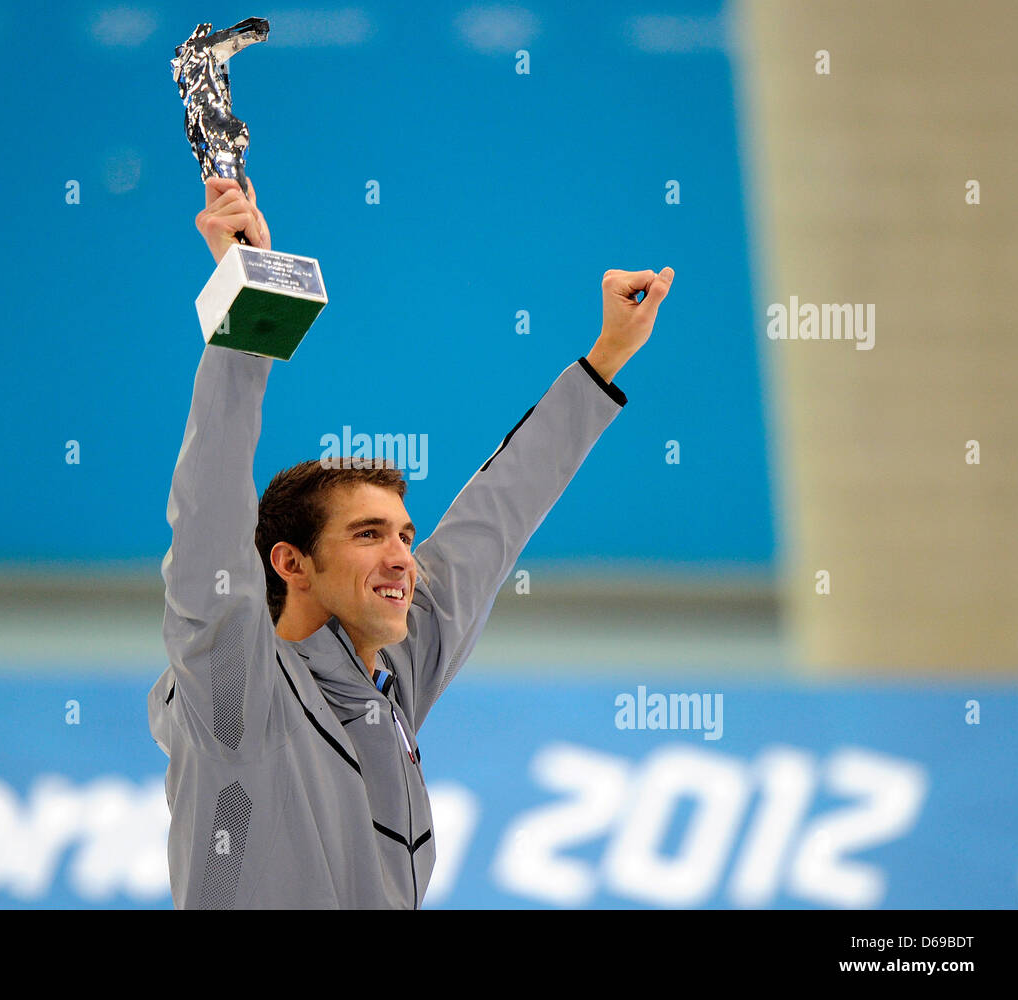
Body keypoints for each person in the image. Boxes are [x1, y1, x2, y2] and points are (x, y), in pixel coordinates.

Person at [148, 175, 674, 908]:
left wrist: (605, 359)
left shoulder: (390, 673)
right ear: (290, 563)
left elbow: (495, 518)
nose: (402, 557)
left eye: (403, 534)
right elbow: (209, 504)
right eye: (369, 535)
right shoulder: (233, 693)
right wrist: (253, 305)